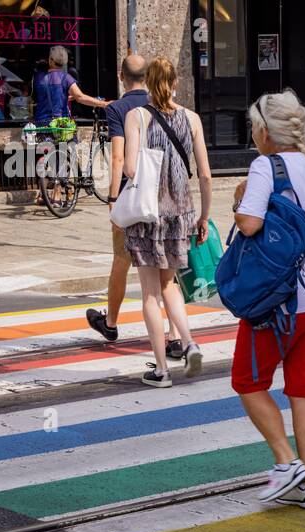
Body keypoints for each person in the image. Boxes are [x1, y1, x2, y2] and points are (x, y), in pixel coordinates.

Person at [232, 91, 305, 508]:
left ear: (265, 131)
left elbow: (248, 225)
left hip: (280, 303)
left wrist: (238, 201)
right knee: (304, 390)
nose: (252, 134)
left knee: (248, 381)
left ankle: (288, 463)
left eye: (253, 127)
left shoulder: (266, 166)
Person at [122, 57, 213, 387]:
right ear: (175, 83)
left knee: (149, 293)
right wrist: (203, 216)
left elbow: (130, 168)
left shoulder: (137, 117)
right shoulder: (192, 119)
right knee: (169, 284)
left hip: (148, 214)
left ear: (147, 82)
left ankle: (161, 370)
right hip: (181, 213)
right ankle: (189, 343)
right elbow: (204, 173)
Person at [87, 54, 181, 354]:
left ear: (121, 76)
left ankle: (111, 323)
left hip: (134, 197)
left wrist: (113, 199)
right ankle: (175, 334)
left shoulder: (118, 109)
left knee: (122, 260)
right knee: (167, 270)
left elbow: (118, 157)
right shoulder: (163, 106)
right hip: (167, 195)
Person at [33, 45, 108, 125]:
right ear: (65, 61)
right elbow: (80, 97)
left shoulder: (39, 78)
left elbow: (39, 98)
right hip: (59, 126)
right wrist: (105, 104)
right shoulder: (66, 78)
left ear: (50, 60)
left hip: (41, 125)